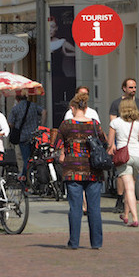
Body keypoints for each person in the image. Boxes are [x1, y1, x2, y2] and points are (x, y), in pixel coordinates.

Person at [54, 90, 109, 250]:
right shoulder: (94, 124)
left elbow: (56, 145)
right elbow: (104, 143)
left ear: (73, 107)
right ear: (85, 108)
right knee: (94, 208)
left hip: (72, 170)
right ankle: (96, 243)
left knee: (75, 208)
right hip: (93, 170)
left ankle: (74, 242)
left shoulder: (66, 125)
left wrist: (64, 153)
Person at [109, 98, 139, 227]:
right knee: (130, 187)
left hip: (124, 157)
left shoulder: (115, 123)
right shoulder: (138, 123)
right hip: (138, 157)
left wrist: (110, 149)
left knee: (129, 189)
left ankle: (135, 218)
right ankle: (126, 215)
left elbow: (110, 143)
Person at [108, 78, 139, 147]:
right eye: (131, 87)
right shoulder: (116, 103)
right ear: (124, 88)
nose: (134, 90)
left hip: (136, 140)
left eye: (135, 87)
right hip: (121, 141)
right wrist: (112, 143)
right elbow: (113, 125)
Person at [7, 94, 44, 181]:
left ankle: (26, 178)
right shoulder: (33, 105)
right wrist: (42, 125)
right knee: (34, 158)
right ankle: (34, 178)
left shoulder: (15, 109)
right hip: (34, 136)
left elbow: (10, 123)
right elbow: (44, 111)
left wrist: (17, 125)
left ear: (17, 98)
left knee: (25, 159)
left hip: (22, 137)